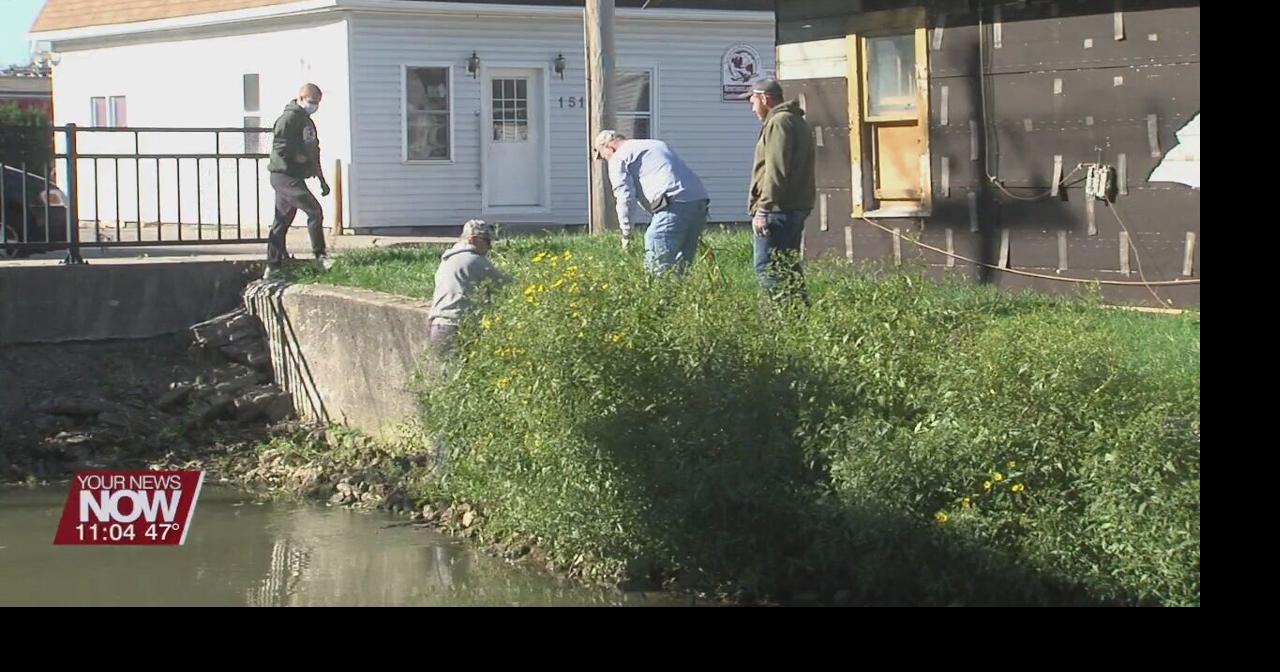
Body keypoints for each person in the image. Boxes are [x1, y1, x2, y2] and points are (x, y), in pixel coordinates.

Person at [593, 130, 710, 274]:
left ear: (609, 147)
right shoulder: (654, 144)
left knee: (656, 252)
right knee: (681, 267)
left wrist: (627, 233)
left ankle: (659, 294)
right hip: (699, 200)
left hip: (674, 202)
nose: (606, 160)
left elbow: (625, 196)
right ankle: (682, 293)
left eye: (603, 156)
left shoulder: (619, 157)